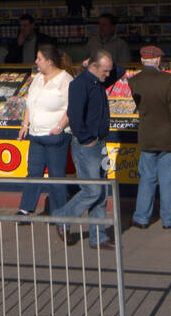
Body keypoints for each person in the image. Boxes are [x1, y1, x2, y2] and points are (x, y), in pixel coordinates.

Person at [51, 47, 125, 248]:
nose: (108, 74)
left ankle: (98, 236)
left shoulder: (100, 80)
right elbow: (74, 116)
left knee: (101, 192)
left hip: (100, 142)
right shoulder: (79, 85)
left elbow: (121, 70)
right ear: (93, 66)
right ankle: (63, 217)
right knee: (92, 190)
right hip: (87, 146)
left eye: (108, 70)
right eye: (104, 70)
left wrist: (103, 60)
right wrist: (86, 139)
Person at [129, 45, 171, 230]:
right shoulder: (168, 79)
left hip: (147, 136)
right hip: (168, 137)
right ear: (157, 60)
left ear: (142, 60)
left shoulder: (134, 81)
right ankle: (168, 219)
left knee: (146, 178)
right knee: (166, 179)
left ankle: (141, 218)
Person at [17, 45, 72, 216]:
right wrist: (25, 125)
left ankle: (59, 212)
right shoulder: (38, 78)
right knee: (33, 172)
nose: (36, 61)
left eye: (39, 58)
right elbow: (30, 103)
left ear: (49, 62)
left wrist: (59, 127)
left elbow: (72, 108)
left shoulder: (66, 80)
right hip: (36, 134)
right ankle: (25, 208)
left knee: (56, 176)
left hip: (55, 136)